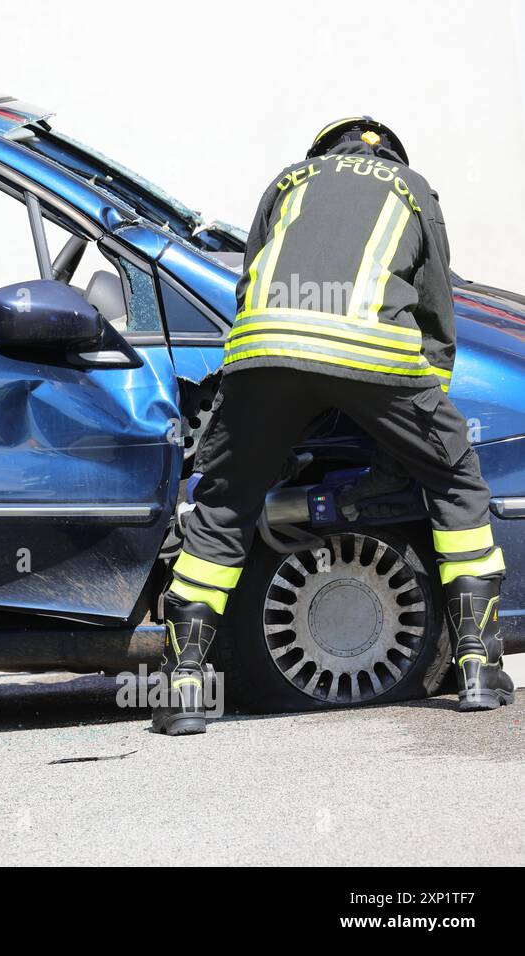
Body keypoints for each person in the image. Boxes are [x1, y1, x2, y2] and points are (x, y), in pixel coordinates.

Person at [155, 117, 513, 736]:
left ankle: (183, 687)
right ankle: (479, 667)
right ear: (389, 153)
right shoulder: (411, 187)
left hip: (268, 351)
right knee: (457, 488)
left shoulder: (289, 180)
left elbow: (251, 282)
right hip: (377, 355)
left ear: (324, 149)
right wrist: (423, 425)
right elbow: (435, 307)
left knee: (224, 507)